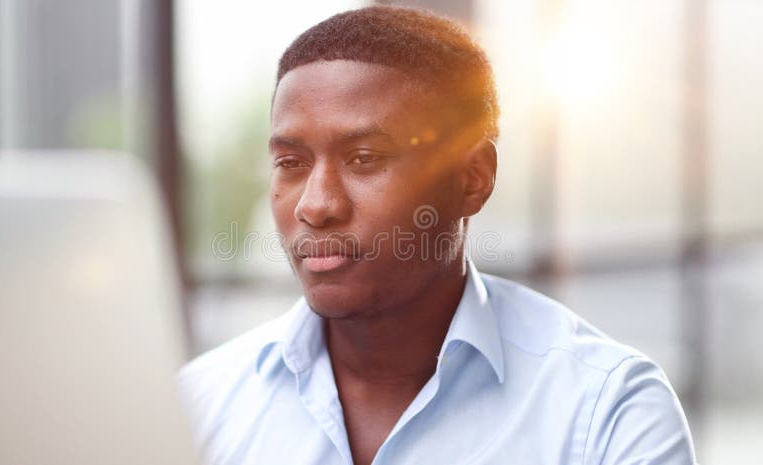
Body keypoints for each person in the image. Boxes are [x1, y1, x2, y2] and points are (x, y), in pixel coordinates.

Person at [179, 6, 697, 465]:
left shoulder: (608, 412)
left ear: (473, 179)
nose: (316, 205)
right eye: (291, 163)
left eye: (364, 159)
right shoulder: (197, 408)